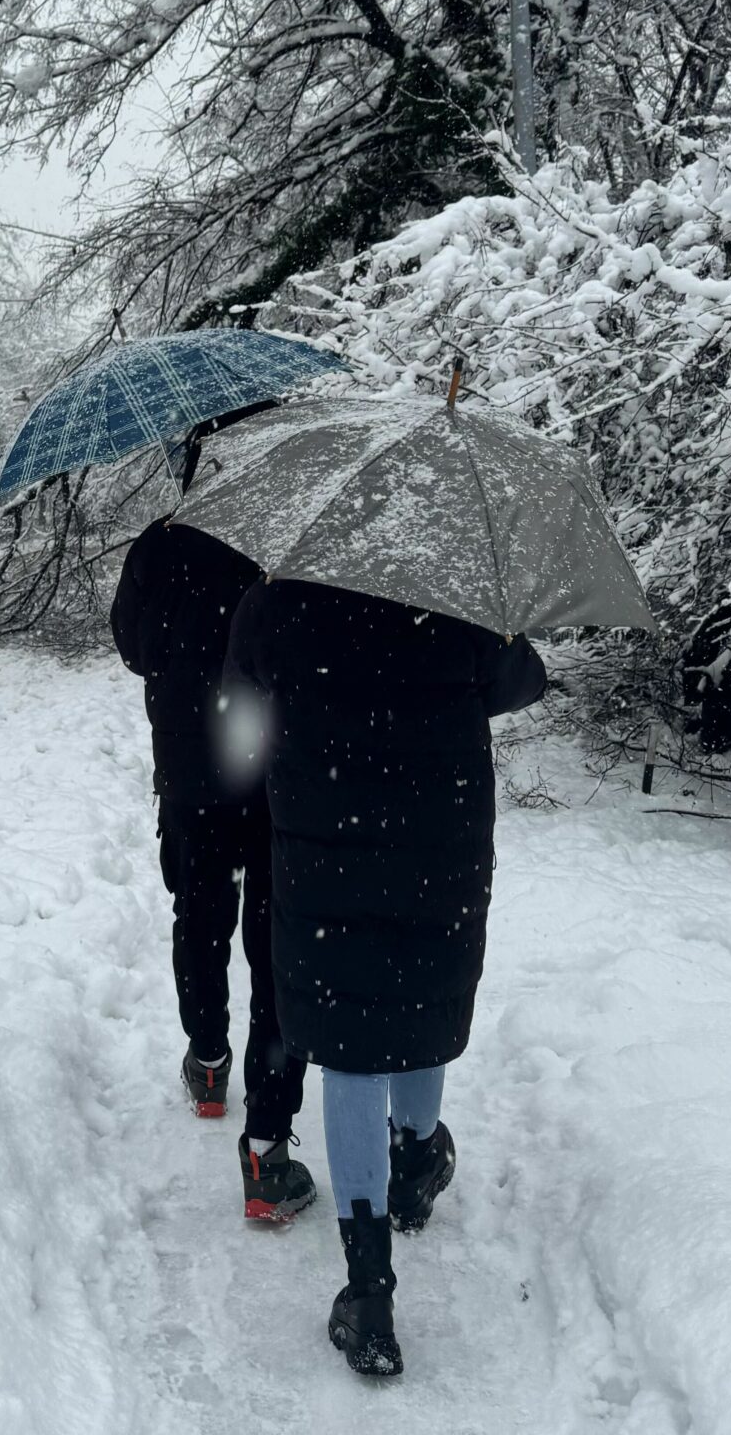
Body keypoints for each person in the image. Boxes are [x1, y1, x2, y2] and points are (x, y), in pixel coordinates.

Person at [224, 578, 547, 1377]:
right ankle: (415, 1163)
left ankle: (368, 1291)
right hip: (438, 840)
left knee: (351, 1039)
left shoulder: (284, 597)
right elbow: (525, 681)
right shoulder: (465, 592)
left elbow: (241, 679)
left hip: (326, 848)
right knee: (418, 996)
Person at [110, 516, 314, 1223]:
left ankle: (206, 1060)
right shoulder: (288, 541)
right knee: (275, 941)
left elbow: (132, 646)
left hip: (193, 773)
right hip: (273, 778)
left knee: (199, 914)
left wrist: (184, 658)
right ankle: (268, 1137)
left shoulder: (161, 542)